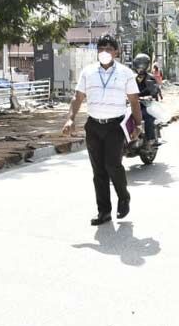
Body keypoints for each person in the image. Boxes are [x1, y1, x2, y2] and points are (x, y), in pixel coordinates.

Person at [62, 35, 143, 226]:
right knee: (98, 170)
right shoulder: (88, 72)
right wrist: (70, 118)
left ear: (116, 52)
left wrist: (138, 125)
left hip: (115, 126)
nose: (105, 52)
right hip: (94, 125)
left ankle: (123, 197)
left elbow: (134, 101)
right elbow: (78, 97)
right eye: (101, 48)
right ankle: (104, 211)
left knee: (112, 165)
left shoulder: (126, 73)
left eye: (109, 48)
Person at [133, 54, 159, 144]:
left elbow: (154, 91)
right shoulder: (133, 78)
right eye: (138, 64)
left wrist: (149, 96)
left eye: (142, 65)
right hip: (133, 104)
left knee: (147, 116)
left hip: (146, 104)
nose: (140, 67)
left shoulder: (150, 78)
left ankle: (150, 138)